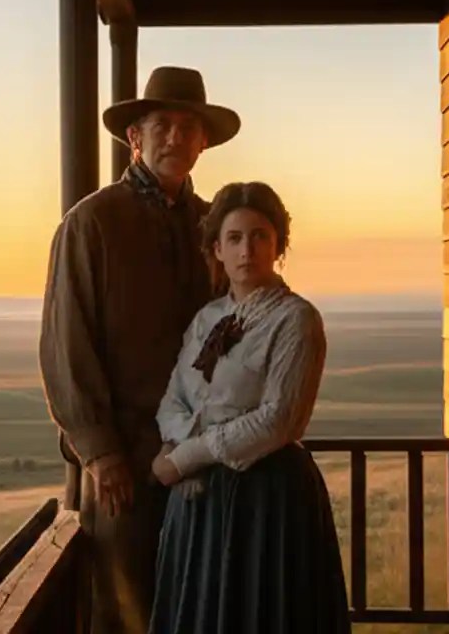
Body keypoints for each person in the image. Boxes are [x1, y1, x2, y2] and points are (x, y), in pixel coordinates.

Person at [38, 66, 240, 633]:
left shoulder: (213, 227)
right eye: (161, 125)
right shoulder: (92, 222)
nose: (175, 137)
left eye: (187, 127)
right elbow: (66, 344)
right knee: (125, 612)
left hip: (201, 458)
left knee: (198, 605)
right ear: (135, 137)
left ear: (203, 142)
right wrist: (100, 452)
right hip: (122, 466)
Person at [149, 182, 351, 634]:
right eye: (235, 238)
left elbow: (279, 418)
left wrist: (182, 459)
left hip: (267, 500)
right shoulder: (208, 319)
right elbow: (174, 398)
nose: (247, 250)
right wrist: (179, 449)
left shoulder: (295, 318)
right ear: (217, 248)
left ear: (278, 244)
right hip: (201, 500)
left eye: (260, 236)